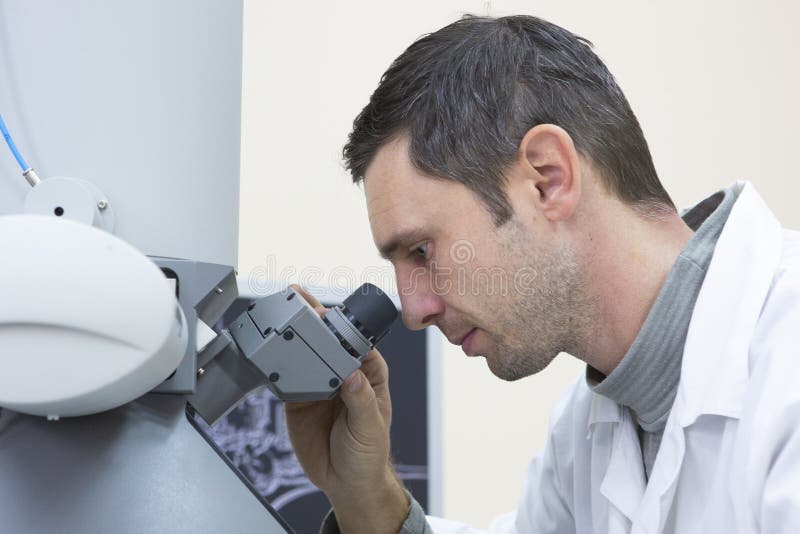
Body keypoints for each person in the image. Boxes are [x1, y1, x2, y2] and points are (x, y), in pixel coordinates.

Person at [285, 14, 800, 534]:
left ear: (547, 180)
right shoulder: (588, 428)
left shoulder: (786, 365)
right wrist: (365, 493)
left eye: (422, 249)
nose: (415, 312)